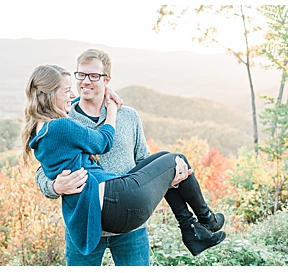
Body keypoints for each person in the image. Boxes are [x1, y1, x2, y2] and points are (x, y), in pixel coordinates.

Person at [24, 52, 224, 265]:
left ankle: (191, 228)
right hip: (85, 222)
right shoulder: (63, 117)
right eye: (81, 75)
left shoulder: (128, 116)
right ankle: (204, 221)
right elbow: (44, 169)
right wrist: (55, 187)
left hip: (129, 224)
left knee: (171, 160)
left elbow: (143, 160)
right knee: (174, 161)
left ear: (107, 79)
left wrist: (166, 180)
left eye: (94, 76)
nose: (85, 81)